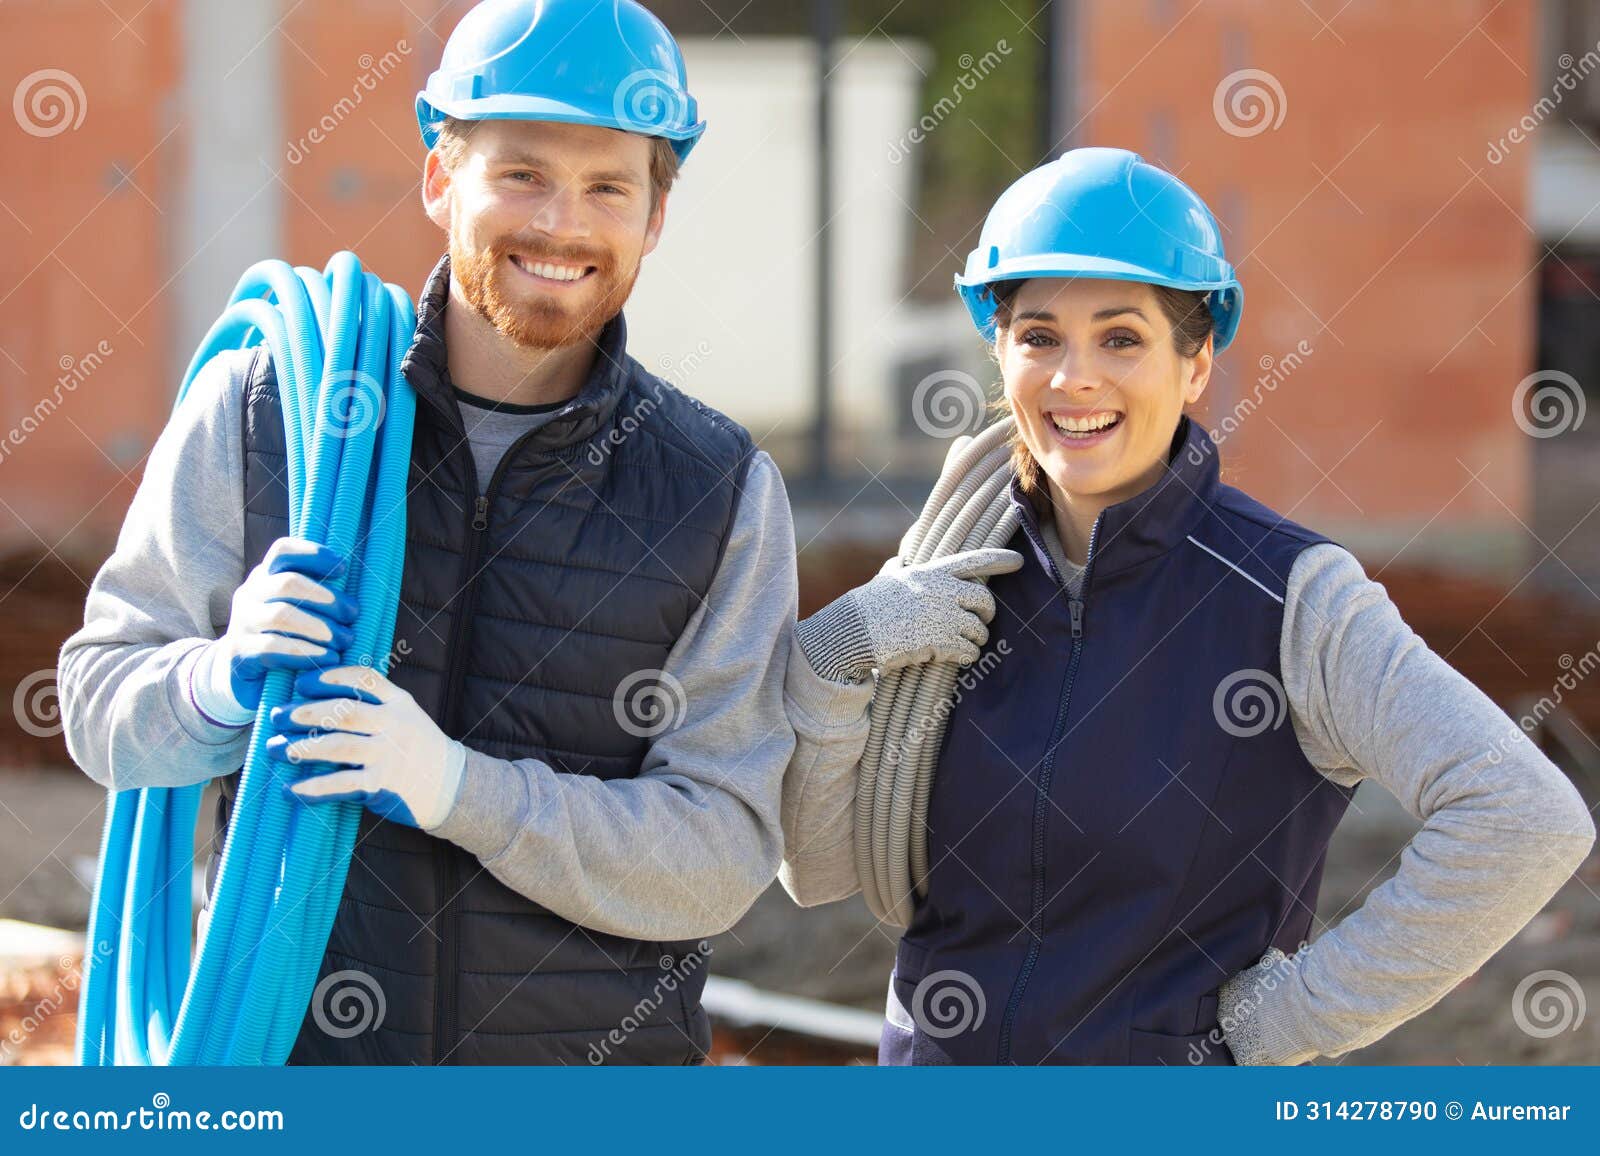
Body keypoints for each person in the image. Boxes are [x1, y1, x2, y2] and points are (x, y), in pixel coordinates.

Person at [58, 0, 797, 1065]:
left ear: (655, 216)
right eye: (522, 174)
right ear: (440, 178)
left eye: (607, 188)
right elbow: (97, 706)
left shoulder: (716, 491)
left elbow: (723, 850)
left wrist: (458, 789)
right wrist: (216, 681)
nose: (562, 223)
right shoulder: (269, 407)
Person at [778, 147, 1596, 1065]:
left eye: (1121, 338)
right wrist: (835, 654)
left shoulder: (1289, 599)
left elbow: (1523, 818)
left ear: (1198, 360)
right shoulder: (945, 576)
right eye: (1039, 336)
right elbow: (817, 869)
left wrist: (1286, 1024)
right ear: (998, 350)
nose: (1073, 378)